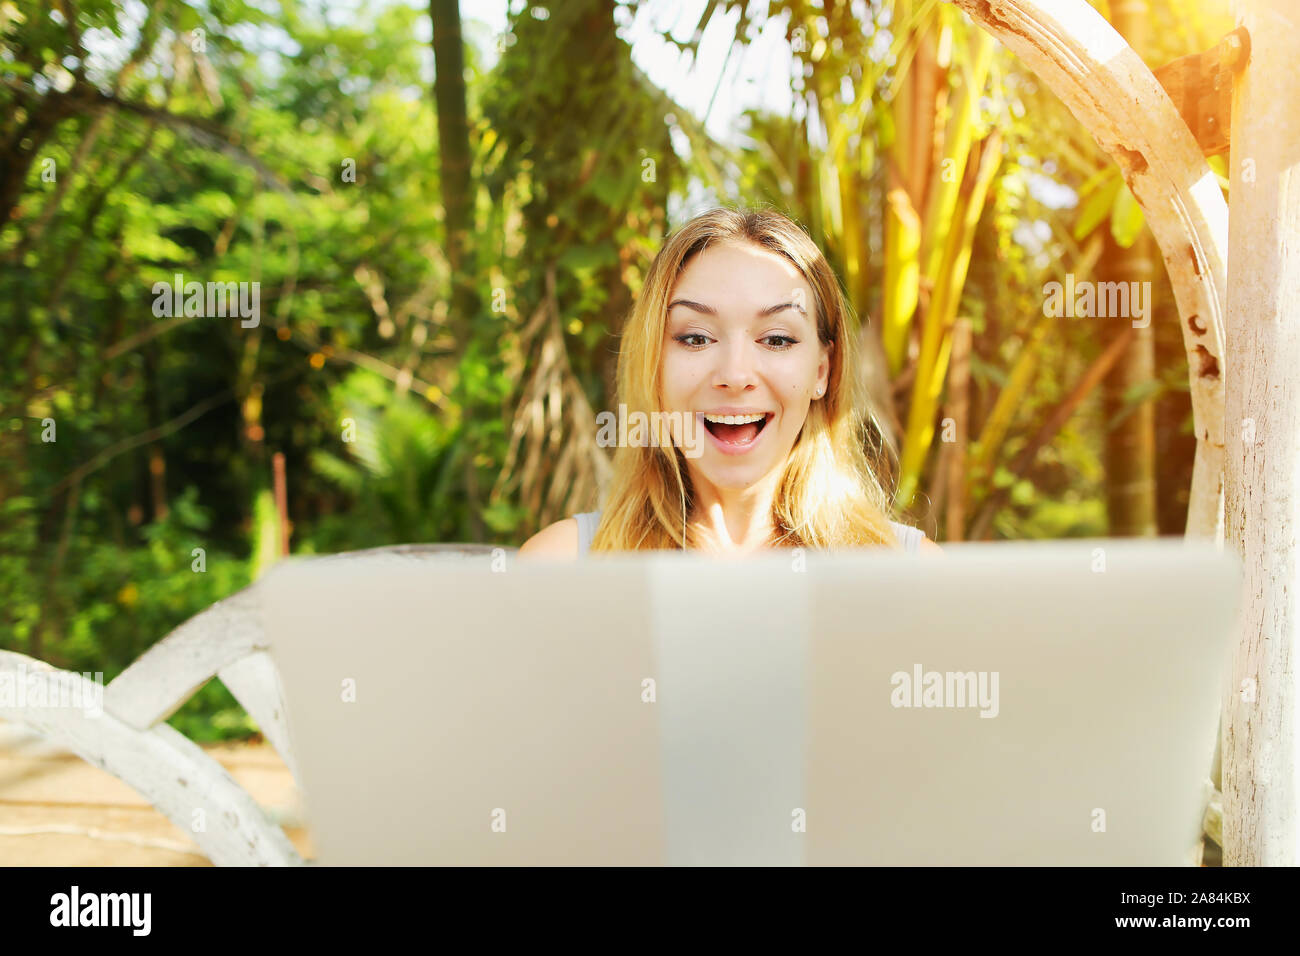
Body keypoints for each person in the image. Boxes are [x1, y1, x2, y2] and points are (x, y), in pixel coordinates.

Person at [519, 206, 937, 558]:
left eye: (777, 339)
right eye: (695, 338)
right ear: (654, 366)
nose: (735, 377)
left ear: (821, 372)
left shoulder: (909, 572)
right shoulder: (560, 565)